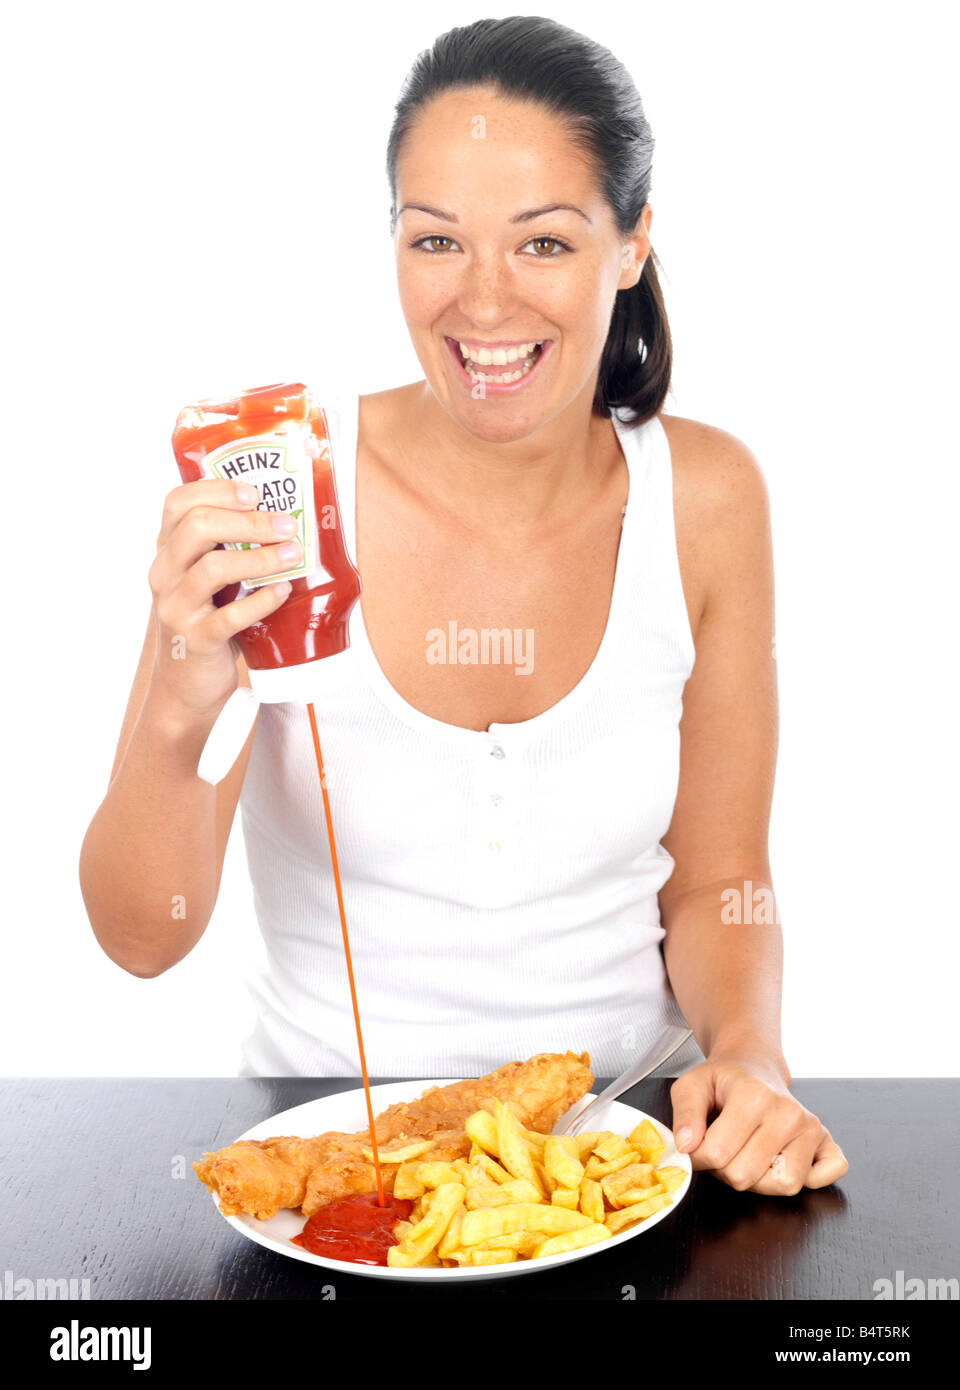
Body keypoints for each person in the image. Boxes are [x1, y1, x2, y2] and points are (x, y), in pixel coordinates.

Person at [79, 16, 848, 1196]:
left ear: (633, 246)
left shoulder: (706, 495)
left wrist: (750, 1057)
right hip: (330, 1176)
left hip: (620, 1164)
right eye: (436, 239)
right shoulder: (286, 486)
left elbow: (718, 873)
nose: (483, 304)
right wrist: (181, 698)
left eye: (543, 243)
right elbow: (143, 936)